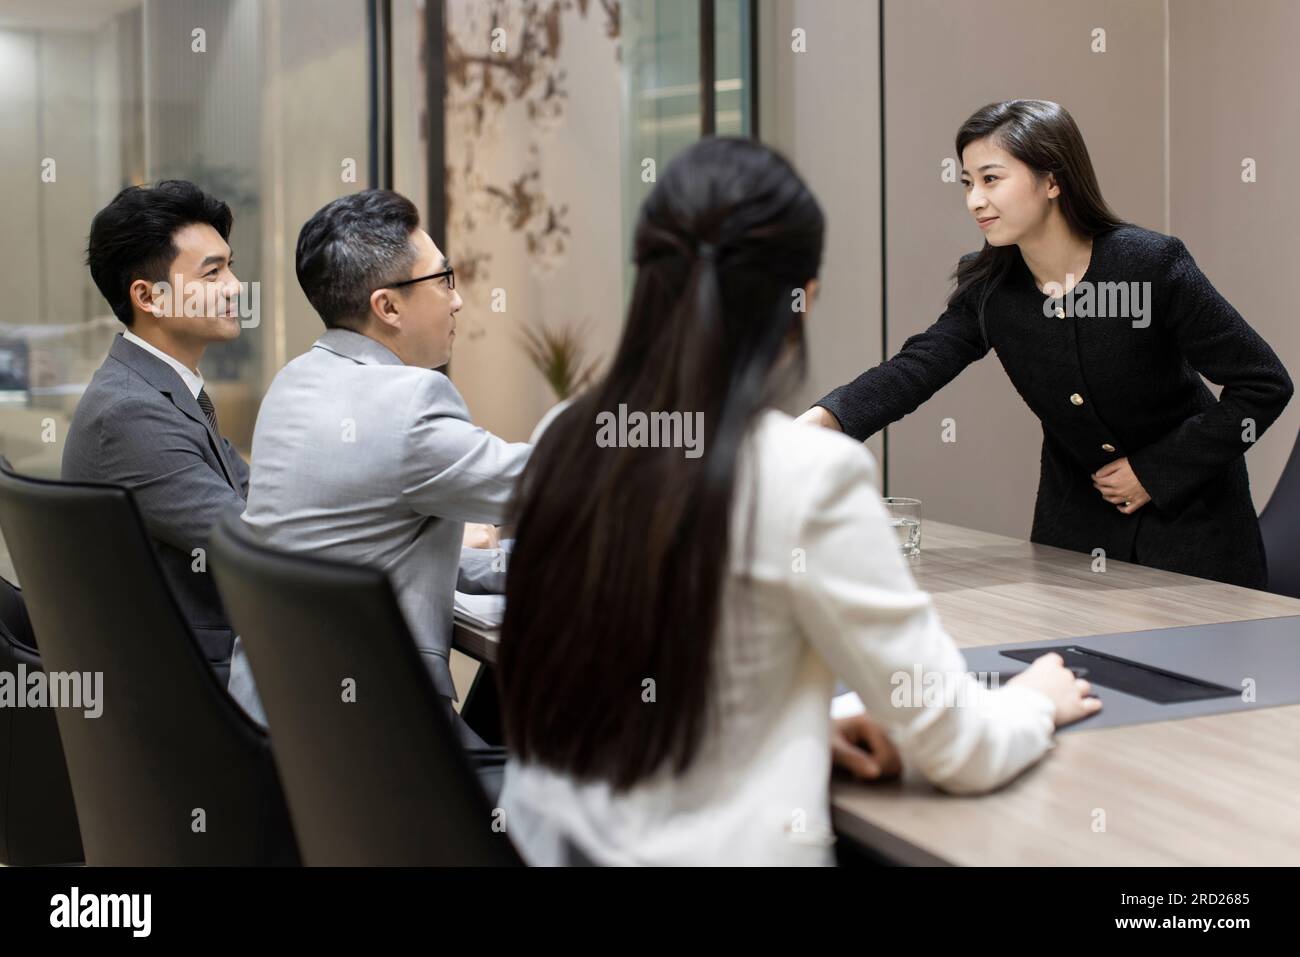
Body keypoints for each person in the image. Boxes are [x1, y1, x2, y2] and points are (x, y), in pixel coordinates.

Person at [495, 137, 1099, 866]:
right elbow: (959, 747)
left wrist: (795, 729)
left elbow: (630, 680)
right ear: (801, 298)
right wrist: (1034, 698)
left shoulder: (565, 435)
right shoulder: (807, 475)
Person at [800, 99, 1294, 589]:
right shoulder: (990, 288)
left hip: (1197, 534)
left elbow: (1264, 385)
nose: (975, 201)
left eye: (991, 179)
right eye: (967, 183)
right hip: (1075, 538)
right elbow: (918, 365)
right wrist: (824, 421)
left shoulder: (1149, 264)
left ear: (1052, 181)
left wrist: (1156, 471)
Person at [229, 189, 529, 800]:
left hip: (275, 730)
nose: (457, 299)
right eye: (443, 279)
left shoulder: (294, 383)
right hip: (383, 749)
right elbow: (547, 486)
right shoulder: (408, 404)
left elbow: (364, 544)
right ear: (388, 305)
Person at [64, 181, 248, 683]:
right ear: (149, 297)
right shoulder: (129, 413)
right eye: (212, 273)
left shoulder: (163, 389)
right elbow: (254, 540)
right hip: (192, 680)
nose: (235, 287)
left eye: (230, 267)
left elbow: (257, 496)